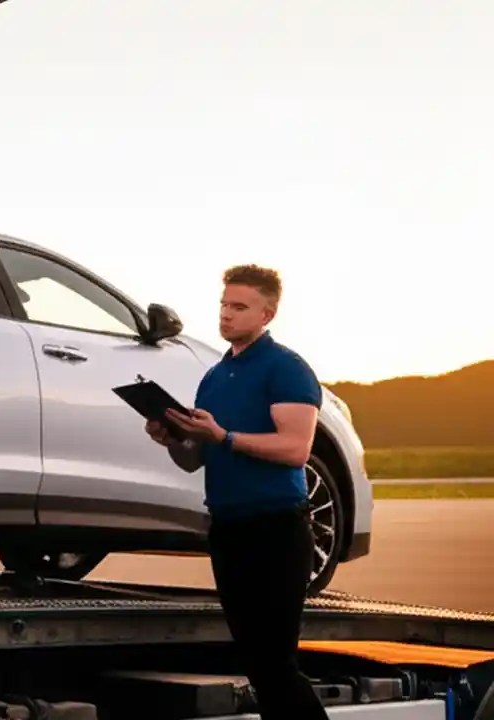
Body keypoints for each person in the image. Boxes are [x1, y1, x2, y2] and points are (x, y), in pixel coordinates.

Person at [145, 264, 329, 720]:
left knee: (275, 662)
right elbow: (195, 459)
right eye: (224, 305)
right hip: (227, 527)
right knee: (254, 662)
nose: (226, 315)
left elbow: (295, 449)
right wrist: (173, 438)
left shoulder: (285, 368)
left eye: (239, 307)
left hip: (276, 527)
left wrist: (224, 435)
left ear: (267, 314)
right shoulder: (213, 377)